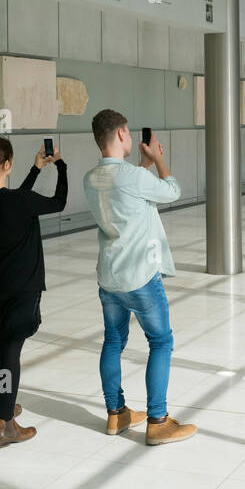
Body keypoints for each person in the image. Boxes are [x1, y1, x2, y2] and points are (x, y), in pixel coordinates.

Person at [84, 109, 196, 446]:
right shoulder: (131, 176)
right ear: (120, 134)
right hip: (140, 276)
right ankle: (158, 421)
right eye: (129, 132)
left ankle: (116, 414)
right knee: (161, 341)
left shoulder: (91, 178)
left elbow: (127, 193)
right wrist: (159, 161)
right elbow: (171, 190)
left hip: (109, 277)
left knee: (113, 341)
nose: (132, 138)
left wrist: (143, 167)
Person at [0, 137, 67, 448]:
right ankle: (6, 425)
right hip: (22, 287)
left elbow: (13, 200)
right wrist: (60, 167)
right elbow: (58, 202)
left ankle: (3, 405)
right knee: (11, 349)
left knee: (3, 344)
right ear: (7, 165)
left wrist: (36, 169)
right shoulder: (18, 203)